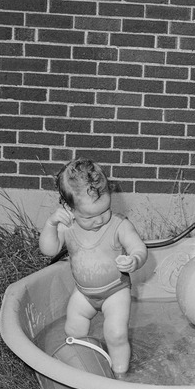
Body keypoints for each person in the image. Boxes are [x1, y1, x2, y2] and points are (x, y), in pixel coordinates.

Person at [39, 158, 148, 377]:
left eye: (105, 210)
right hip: (83, 294)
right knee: (73, 331)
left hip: (115, 291)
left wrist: (135, 259)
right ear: (69, 208)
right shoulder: (67, 226)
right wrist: (51, 224)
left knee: (116, 334)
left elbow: (139, 248)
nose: (99, 220)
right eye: (89, 216)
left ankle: (120, 376)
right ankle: (82, 369)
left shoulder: (119, 225)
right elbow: (49, 250)